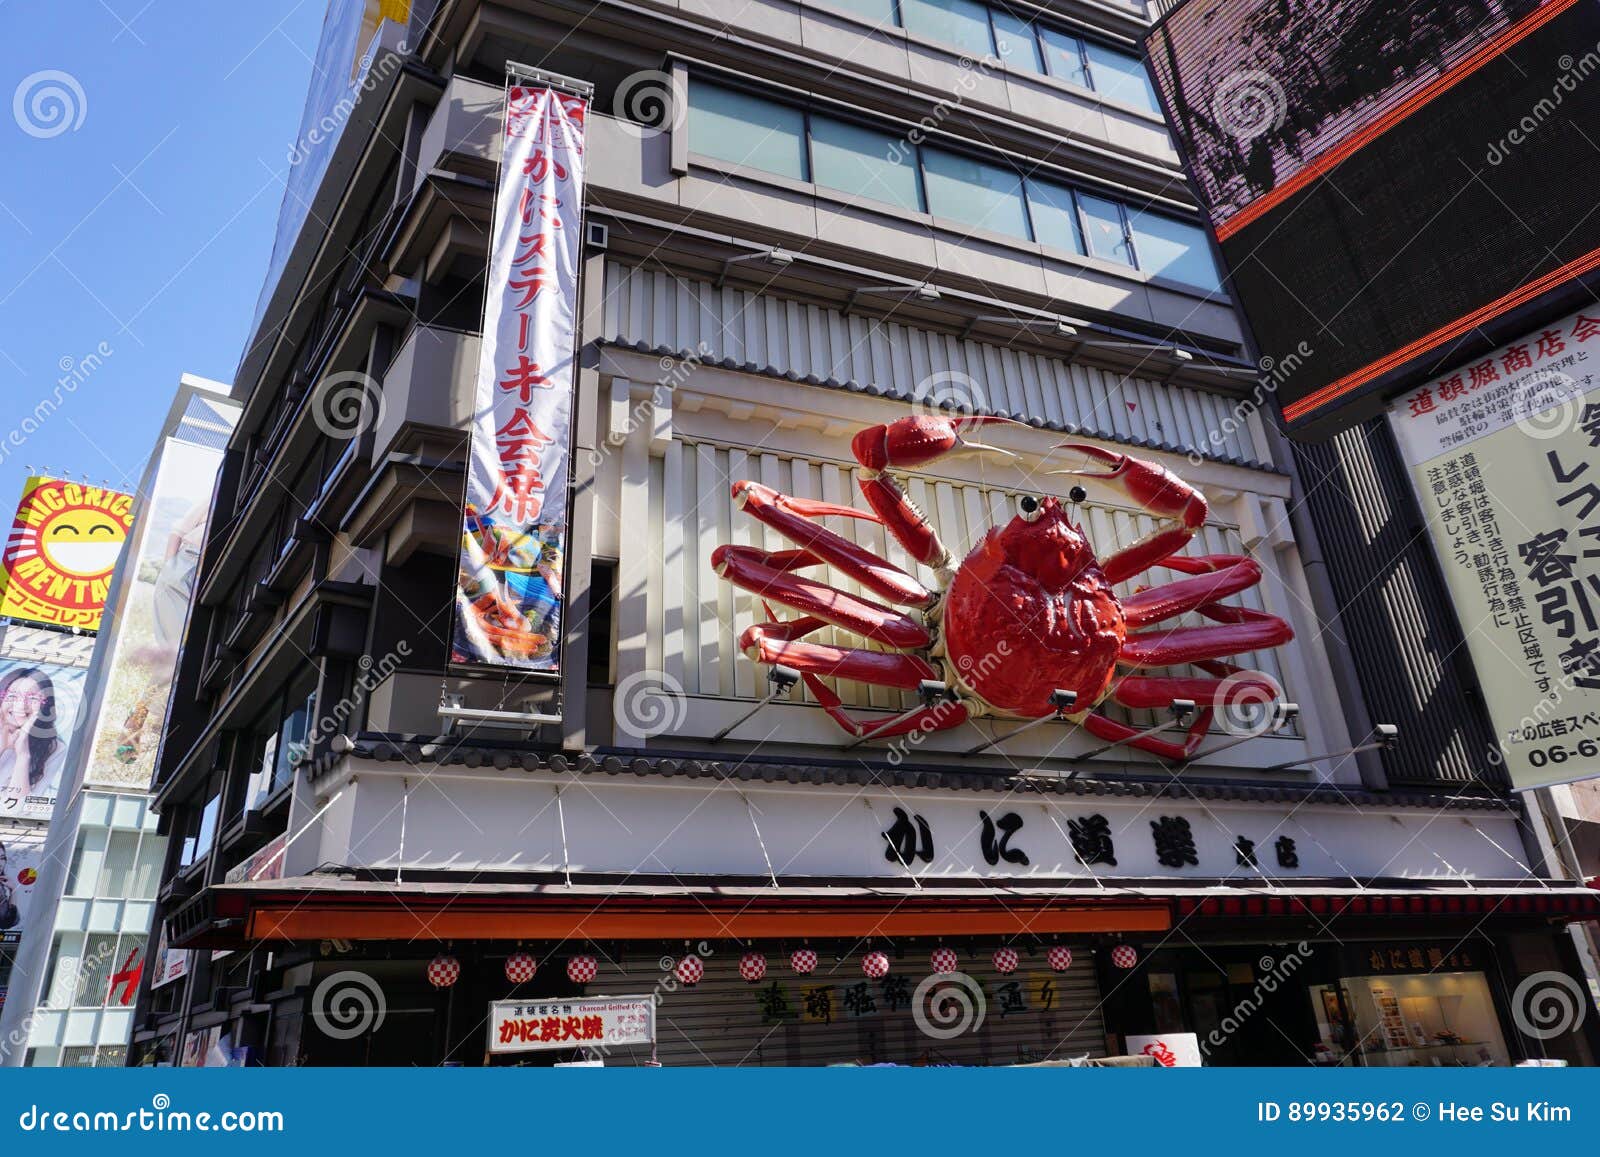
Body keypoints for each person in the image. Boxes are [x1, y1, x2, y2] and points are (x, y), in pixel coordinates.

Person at [0, 667, 67, 809]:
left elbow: (16, 809)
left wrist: (23, 755)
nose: (20, 705)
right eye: (12, 696)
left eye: (32, 698)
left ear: (46, 706)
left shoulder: (55, 748)